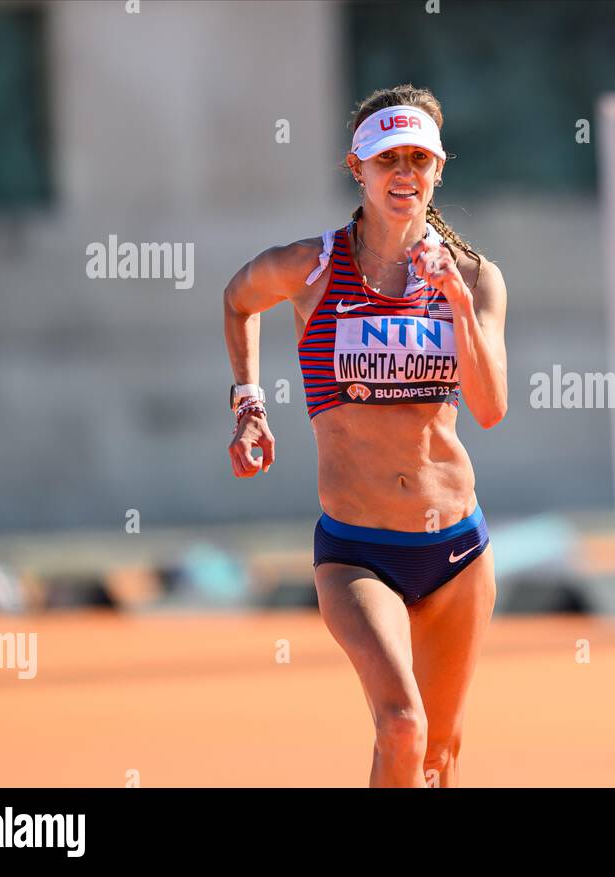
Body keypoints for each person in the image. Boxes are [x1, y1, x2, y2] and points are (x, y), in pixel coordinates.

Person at [222, 84, 508, 787]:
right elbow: (236, 299)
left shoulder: (475, 277)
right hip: (359, 551)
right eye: (388, 160)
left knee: (438, 757)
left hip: (457, 547)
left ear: (439, 168)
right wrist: (249, 401)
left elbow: (492, 406)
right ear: (358, 168)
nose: (403, 173)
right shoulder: (312, 267)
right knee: (401, 725)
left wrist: (460, 307)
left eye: (418, 158)